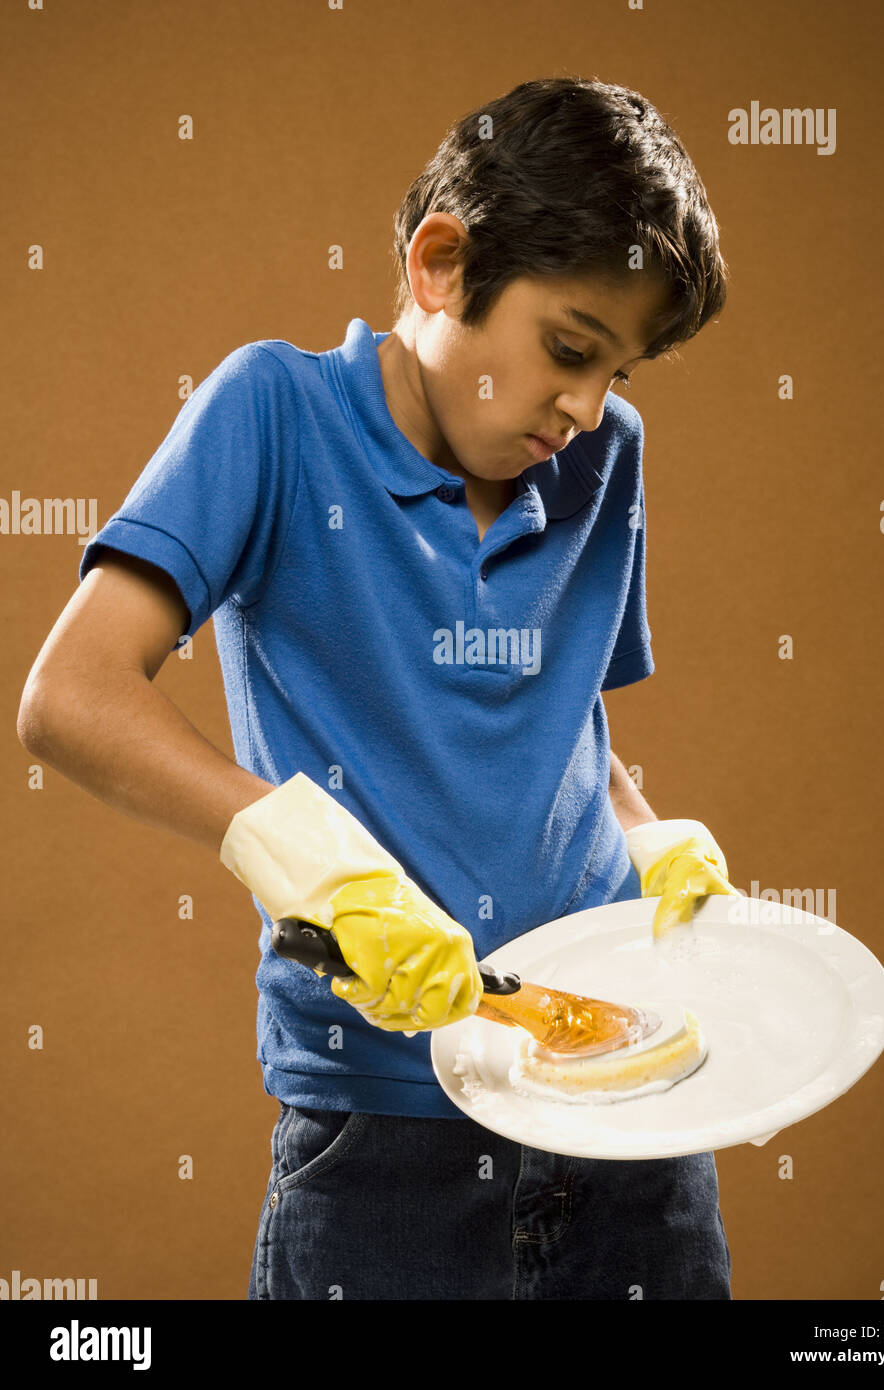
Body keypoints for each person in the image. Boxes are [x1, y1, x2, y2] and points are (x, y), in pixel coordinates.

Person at [17, 76, 737, 1300]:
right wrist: (296, 854)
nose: (588, 404)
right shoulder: (273, 414)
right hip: (385, 1139)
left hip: (628, 1116)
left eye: (621, 369)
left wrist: (652, 838)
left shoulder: (605, 461)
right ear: (441, 265)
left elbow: (578, 736)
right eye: (571, 349)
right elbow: (70, 697)